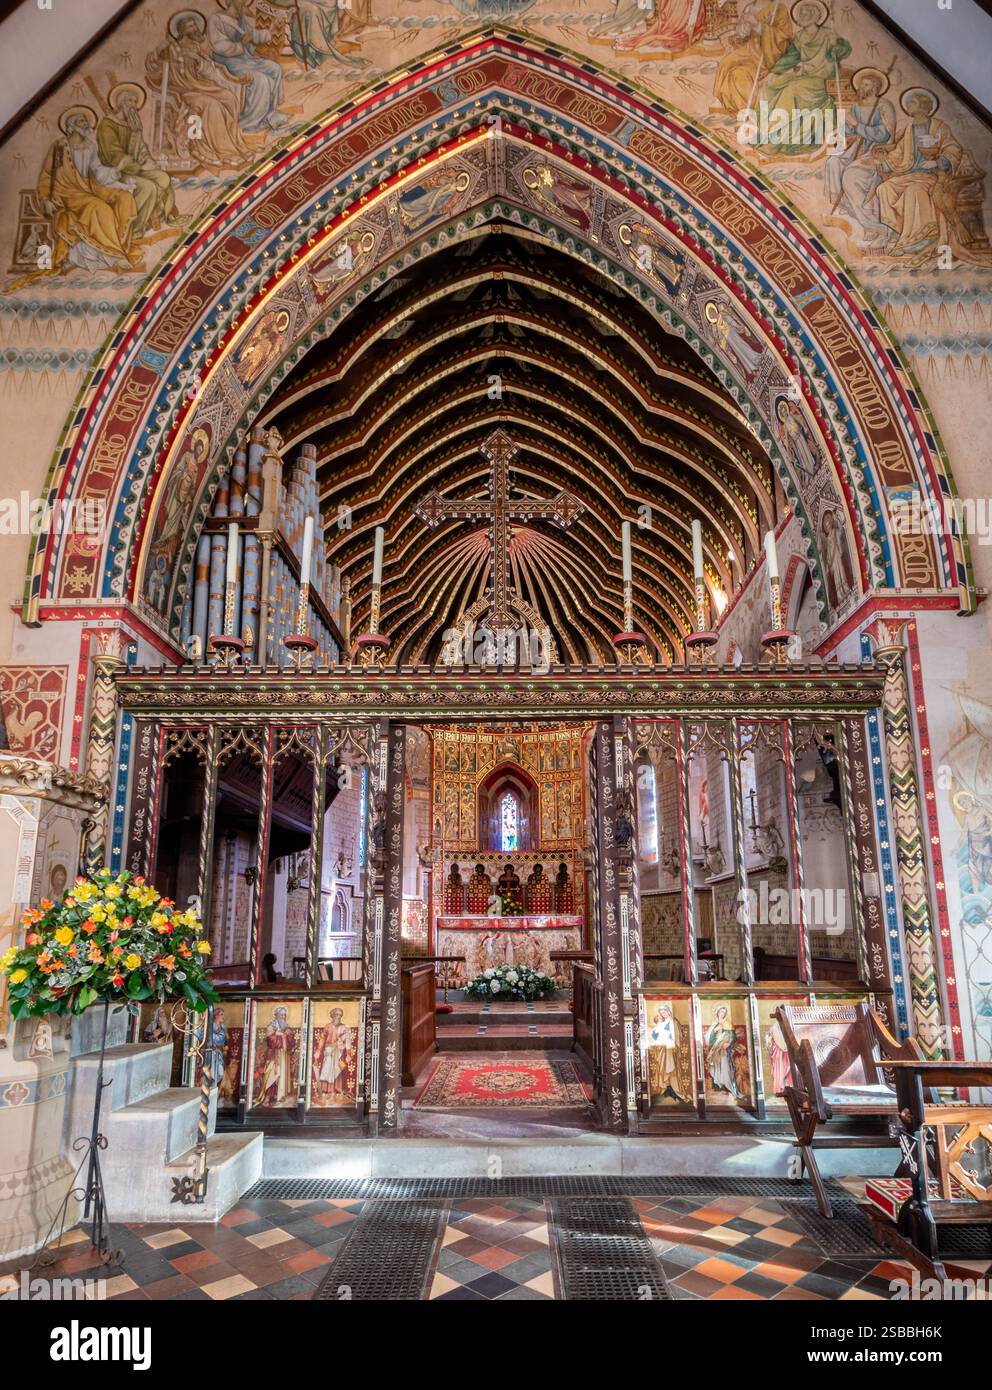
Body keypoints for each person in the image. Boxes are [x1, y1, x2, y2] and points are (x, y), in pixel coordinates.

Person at [36, 107, 141, 275]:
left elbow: (98, 171)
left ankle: (119, 246)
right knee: (101, 208)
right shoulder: (60, 147)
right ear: (72, 126)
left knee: (124, 198)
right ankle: (114, 253)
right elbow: (48, 173)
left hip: (87, 188)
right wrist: (44, 198)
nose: (86, 124)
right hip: (66, 192)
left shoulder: (90, 146)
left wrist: (117, 169)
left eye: (86, 121)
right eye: (82, 121)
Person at [145, 12, 250, 170]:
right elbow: (154, 65)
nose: (195, 29)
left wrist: (201, 63)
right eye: (191, 26)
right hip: (183, 90)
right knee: (211, 105)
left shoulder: (195, 47)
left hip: (200, 85)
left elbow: (207, 68)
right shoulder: (171, 48)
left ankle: (234, 144)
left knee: (228, 97)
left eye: (195, 25)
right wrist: (159, 57)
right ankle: (215, 150)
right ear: (182, 31)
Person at [823, 68, 896, 248]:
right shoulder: (857, 106)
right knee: (833, 162)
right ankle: (848, 206)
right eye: (861, 84)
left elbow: (884, 135)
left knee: (851, 175)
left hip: (876, 152)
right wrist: (843, 125)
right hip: (858, 147)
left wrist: (858, 125)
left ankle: (873, 224)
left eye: (866, 84)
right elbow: (850, 130)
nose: (861, 87)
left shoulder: (883, 105)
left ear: (875, 87)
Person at [96, 83, 180, 239]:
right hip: (115, 173)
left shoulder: (133, 125)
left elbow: (141, 147)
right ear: (121, 103)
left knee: (163, 178)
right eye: (130, 101)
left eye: (135, 101)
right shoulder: (107, 124)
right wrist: (138, 166)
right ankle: (133, 229)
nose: (133, 105)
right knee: (148, 187)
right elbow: (112, 154)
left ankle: (162, 216)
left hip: (136, 168)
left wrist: (148, 161)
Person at [208, 0, 290, 135]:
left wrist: (270, 30)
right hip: (229, 62)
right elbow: (218, 45)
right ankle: (252, 121)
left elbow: (252, 34)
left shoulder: (239, 19)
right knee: (261, 80)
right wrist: (240, 44)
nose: (244, 3)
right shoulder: (216, 19)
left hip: (246, 59)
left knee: (275, 68)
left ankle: (271, 113)